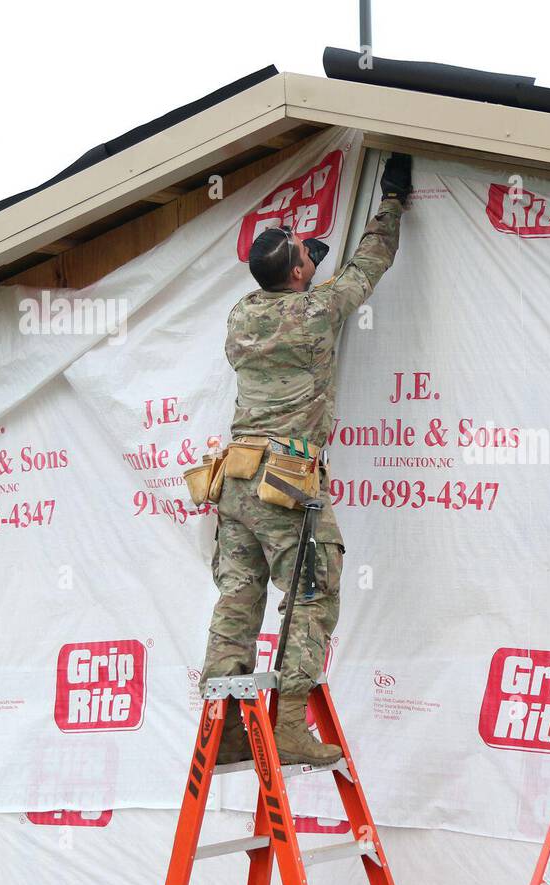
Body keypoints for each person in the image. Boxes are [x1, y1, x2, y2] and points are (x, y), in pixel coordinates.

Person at [200, 152, 413, 765]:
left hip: (235, 479)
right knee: (315, 593)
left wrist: (299, 258)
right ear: (299, 276)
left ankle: (223, 731)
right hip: (284, 481)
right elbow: (368, 264)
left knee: (237, 600)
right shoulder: (317, 311)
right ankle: (288, 725)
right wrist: (392, 201)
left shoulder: (242, 316)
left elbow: (292, 279)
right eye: (301, 257)